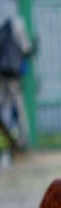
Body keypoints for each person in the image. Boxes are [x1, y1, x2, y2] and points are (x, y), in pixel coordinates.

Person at [0, 12, 33, 153]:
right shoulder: (18, 23)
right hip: (13, 73)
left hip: (1, 72)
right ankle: (22, 140)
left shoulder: (4, 25)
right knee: (18, 106)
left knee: (3, 106)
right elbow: (26, 48)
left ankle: (12, 140)